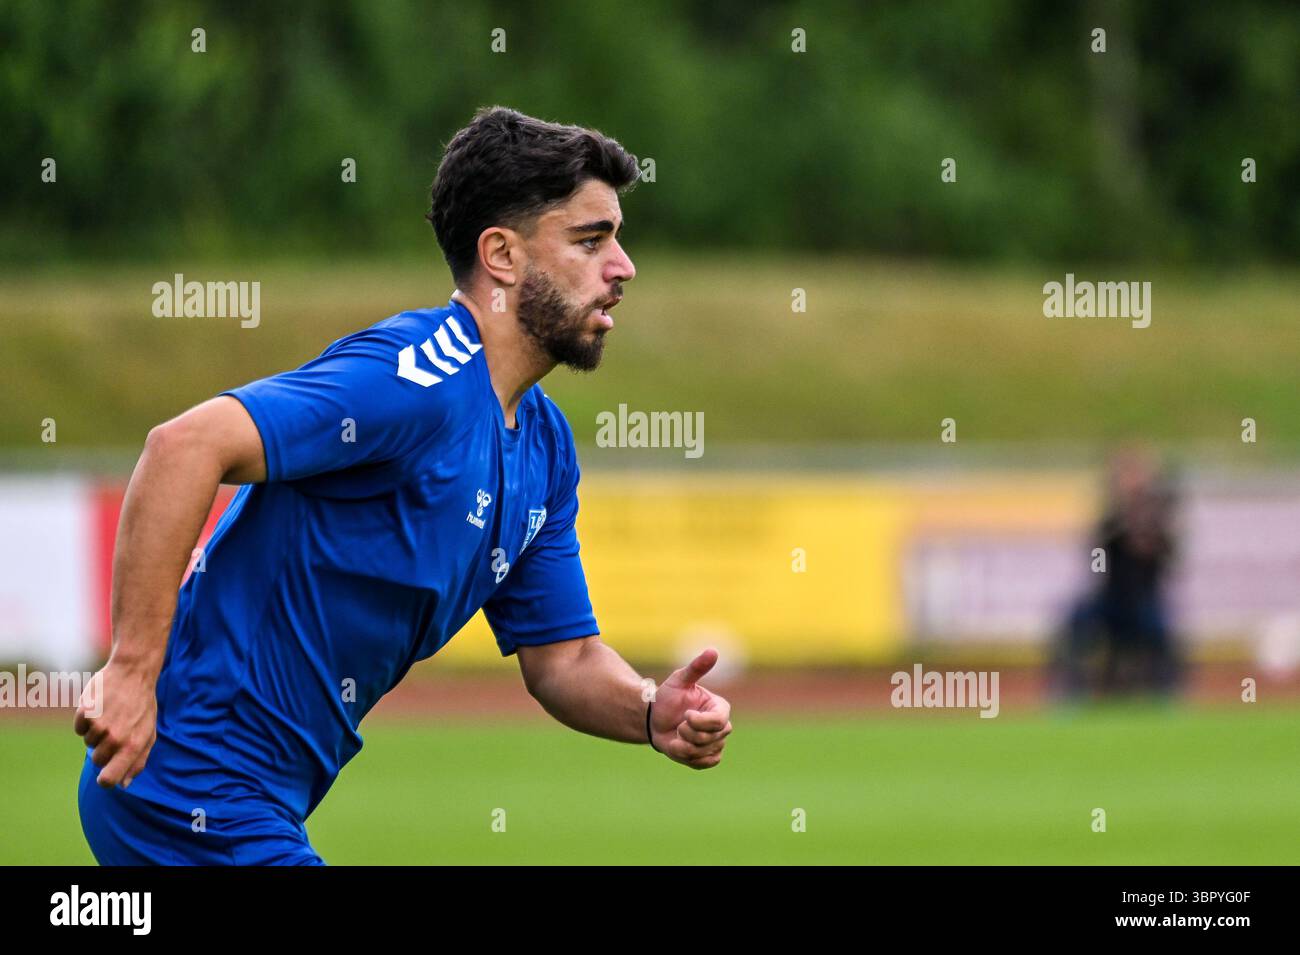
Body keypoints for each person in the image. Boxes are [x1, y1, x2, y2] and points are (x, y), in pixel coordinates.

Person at [74, 106, 733, 865]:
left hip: (253, 798)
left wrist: (651, 712)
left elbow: (566, 660)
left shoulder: (545, 447)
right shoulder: (416, 375)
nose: (623, 267)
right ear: (502, 256)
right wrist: (130, 669)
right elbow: (184, 446)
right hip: (187, 784)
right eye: (591, 240)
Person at [1051, 447, 1182, 700]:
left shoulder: (1157, 520)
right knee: (1075, 621)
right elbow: (1097, 563)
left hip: (1144, 601)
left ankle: (1166, 693)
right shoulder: (1111, 520)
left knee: (1161, 631)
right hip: (1110, 600)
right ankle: (1070, 692)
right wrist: (1121, 535)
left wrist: (1149, 541)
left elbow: (1170, 561)